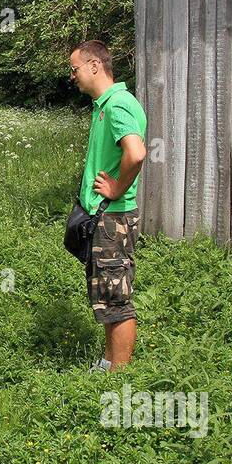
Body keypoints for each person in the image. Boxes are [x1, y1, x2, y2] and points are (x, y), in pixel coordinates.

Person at [69, 41, 146, 372]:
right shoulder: (106, 104)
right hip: (104, 218)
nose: (72, 77)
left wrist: (117, 187)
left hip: (112, 219)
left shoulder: (117, 106)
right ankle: (108, 363)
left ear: (94, 66)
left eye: (75, 69)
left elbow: (137, 152)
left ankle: (119, 377)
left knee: (116, 298)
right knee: (107, 294)